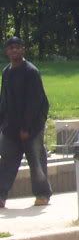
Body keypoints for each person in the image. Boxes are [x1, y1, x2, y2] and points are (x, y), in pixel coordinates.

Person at [0, 36, 52, 208]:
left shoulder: (31, 72)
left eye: (18, 47)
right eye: (11, 48)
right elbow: (4, 100)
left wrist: (26, 127)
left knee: (36, 161)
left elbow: (35, 102)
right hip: (10, 128)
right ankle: (1, 196)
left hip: (32, 127)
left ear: (23, 50)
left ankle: (42, 194)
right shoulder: (6, 72)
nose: (14, 50)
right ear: (7, 51)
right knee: (7, 162)